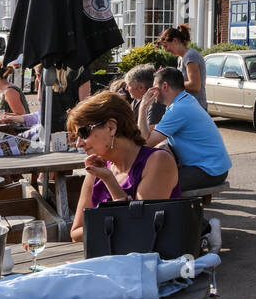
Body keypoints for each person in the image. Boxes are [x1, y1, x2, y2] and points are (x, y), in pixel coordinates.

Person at [66, 92, 180, 244]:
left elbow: (139, 229)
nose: (79, 143)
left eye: (84, 133)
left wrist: (109, 181)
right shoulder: (97, 169)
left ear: (111, 127)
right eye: (76, 137)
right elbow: (75, 234)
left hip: (153, 262)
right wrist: (114, 222)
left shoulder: (158, 161)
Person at [146, 67, 230, 192]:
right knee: (155, 175)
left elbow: (147, 143)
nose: (153, 92)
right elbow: (152, 133)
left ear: (164, 86)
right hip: (215, 167)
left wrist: (143, 107)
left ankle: (178, 211)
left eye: (154, 87)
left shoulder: (179, 109)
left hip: (208, 171)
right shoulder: (185, 100)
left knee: (153, 186)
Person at [158, 24, 207, 112]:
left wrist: (171, 84)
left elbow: (195, 86)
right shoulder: (181, 58)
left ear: (175, 41)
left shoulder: (190, 56)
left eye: (166, 46)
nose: (165, 50)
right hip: (187, 107)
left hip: (195, 109)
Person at [34, 63, 91, 137]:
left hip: (48, 126)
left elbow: (40, 97)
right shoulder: (81, 70)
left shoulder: (47, 68)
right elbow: (84, 105)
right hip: (70, 128)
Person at [123, 64, 166, 140]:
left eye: (128, 85)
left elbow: (146, 139)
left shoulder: (156, 104)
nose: (126, 88)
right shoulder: (137, 101)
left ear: (141, 87)